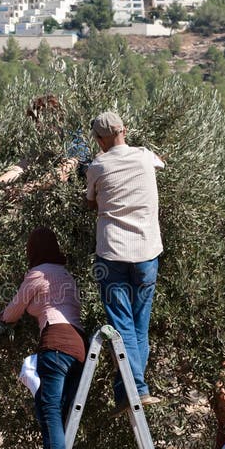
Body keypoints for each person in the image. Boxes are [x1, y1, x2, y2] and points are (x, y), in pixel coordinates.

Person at [0, 227, 86, 449]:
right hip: (79, 346)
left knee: (49, 412)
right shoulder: (66, 274)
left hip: (56, 342)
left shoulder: (39, 273)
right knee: (58, 412)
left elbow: (14, 310)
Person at [86, 110, 164, 416]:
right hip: (147, 253)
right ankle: (129, 392)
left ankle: (136, 390)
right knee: (139, 325)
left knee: (122, 325)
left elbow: (89, 201)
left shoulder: (98, 165)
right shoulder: (145, 157)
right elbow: (162, 163)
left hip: (112, 254)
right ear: (124, 130)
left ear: (100, 139)